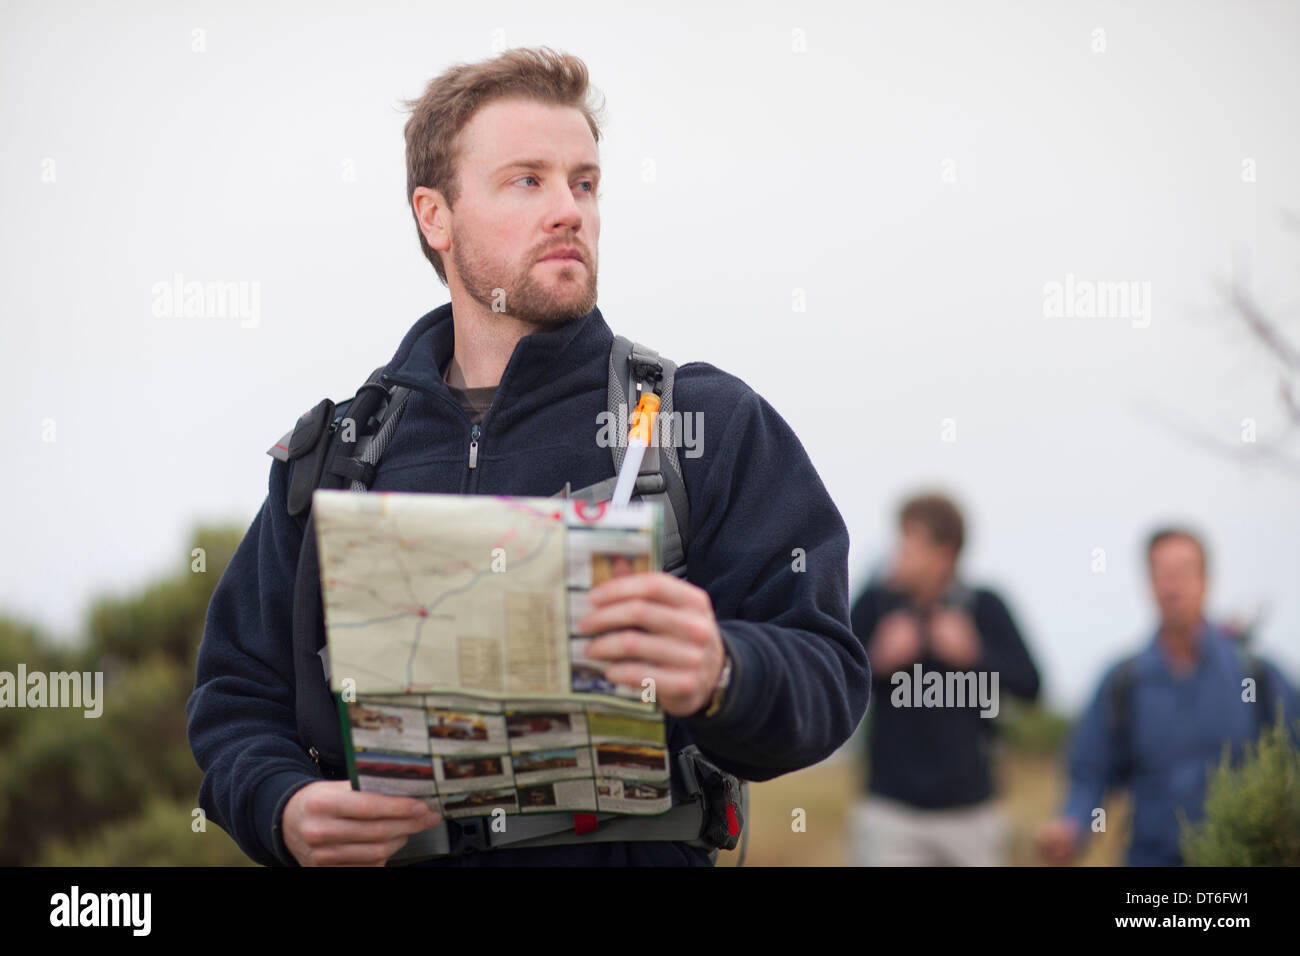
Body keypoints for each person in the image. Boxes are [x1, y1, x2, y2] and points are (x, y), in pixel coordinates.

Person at [185, 46, 868, 867]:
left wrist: (727, 669)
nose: (569, 210)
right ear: (435, 216)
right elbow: (234, 695)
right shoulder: (337, 454)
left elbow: (830, 675)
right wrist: (281, 804)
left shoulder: (705, 423)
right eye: (527, 180)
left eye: (584, 183)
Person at [1038, 527, 1299, 866]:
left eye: (1184, 572)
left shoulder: (1257, 678)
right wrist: (1072, 827)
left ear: (1205, 581)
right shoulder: (1123, 682)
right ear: (1149, 584)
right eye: (1163, 574)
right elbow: (1091, 772)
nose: (1173, 587)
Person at [849, 492, 1040, 865]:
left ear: (945, 554)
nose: (900, 551)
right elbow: (832, 679)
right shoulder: (875, 604)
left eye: (911, 542)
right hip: (890, 812)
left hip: (971, 814)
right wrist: (877, 658)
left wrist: (975, 655)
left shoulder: (985, 606)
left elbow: (1032, 685)